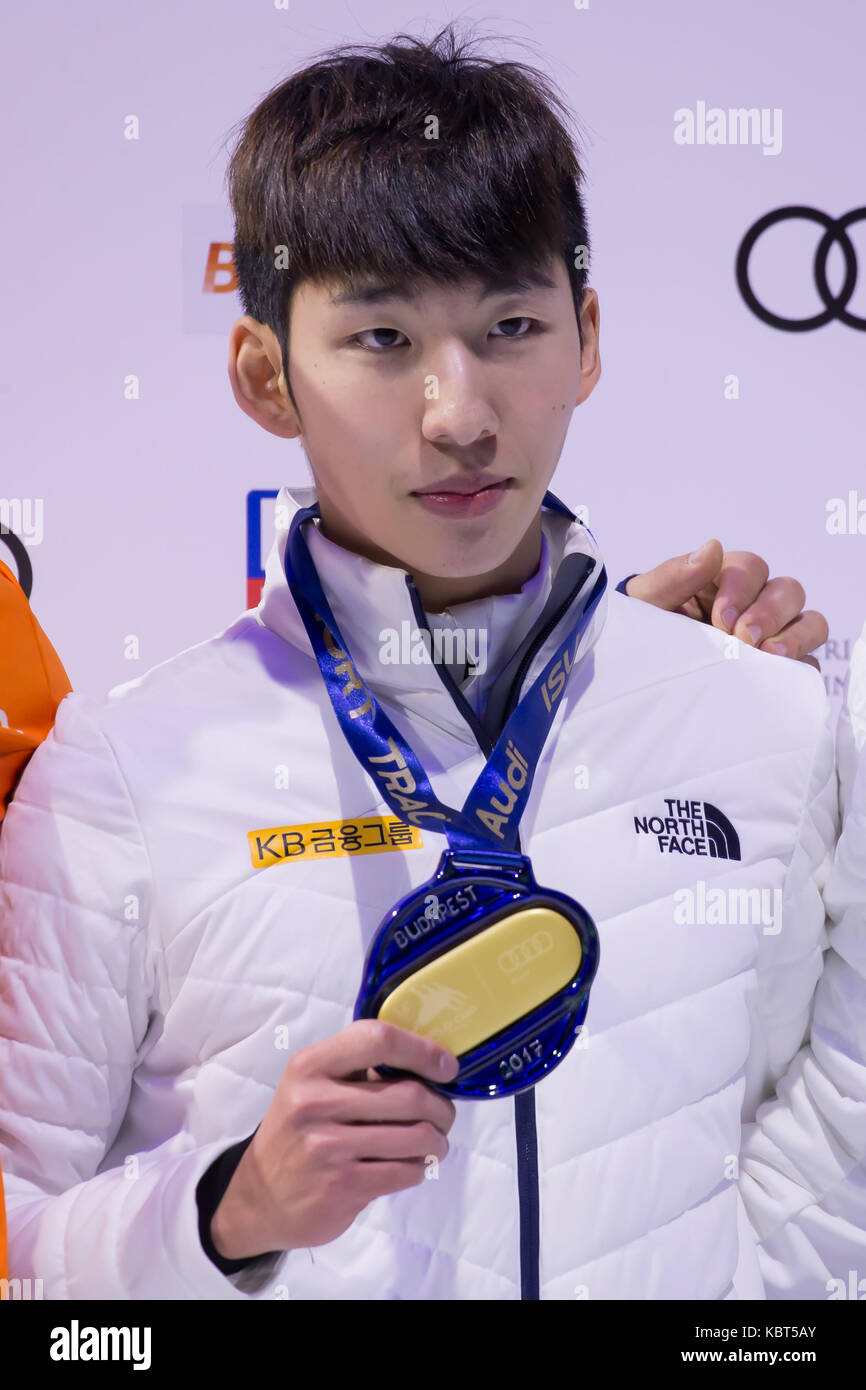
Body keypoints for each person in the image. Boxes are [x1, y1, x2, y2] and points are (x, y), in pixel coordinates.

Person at [0, 24, 859, 1301]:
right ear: (265, 375)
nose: (459, 415)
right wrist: (229, 1214)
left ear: (588, 336)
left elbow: (831, 1128)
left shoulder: (768, 722)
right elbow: (30, 1277)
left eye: (510, 323)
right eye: (383, 341)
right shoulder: (125, 771)